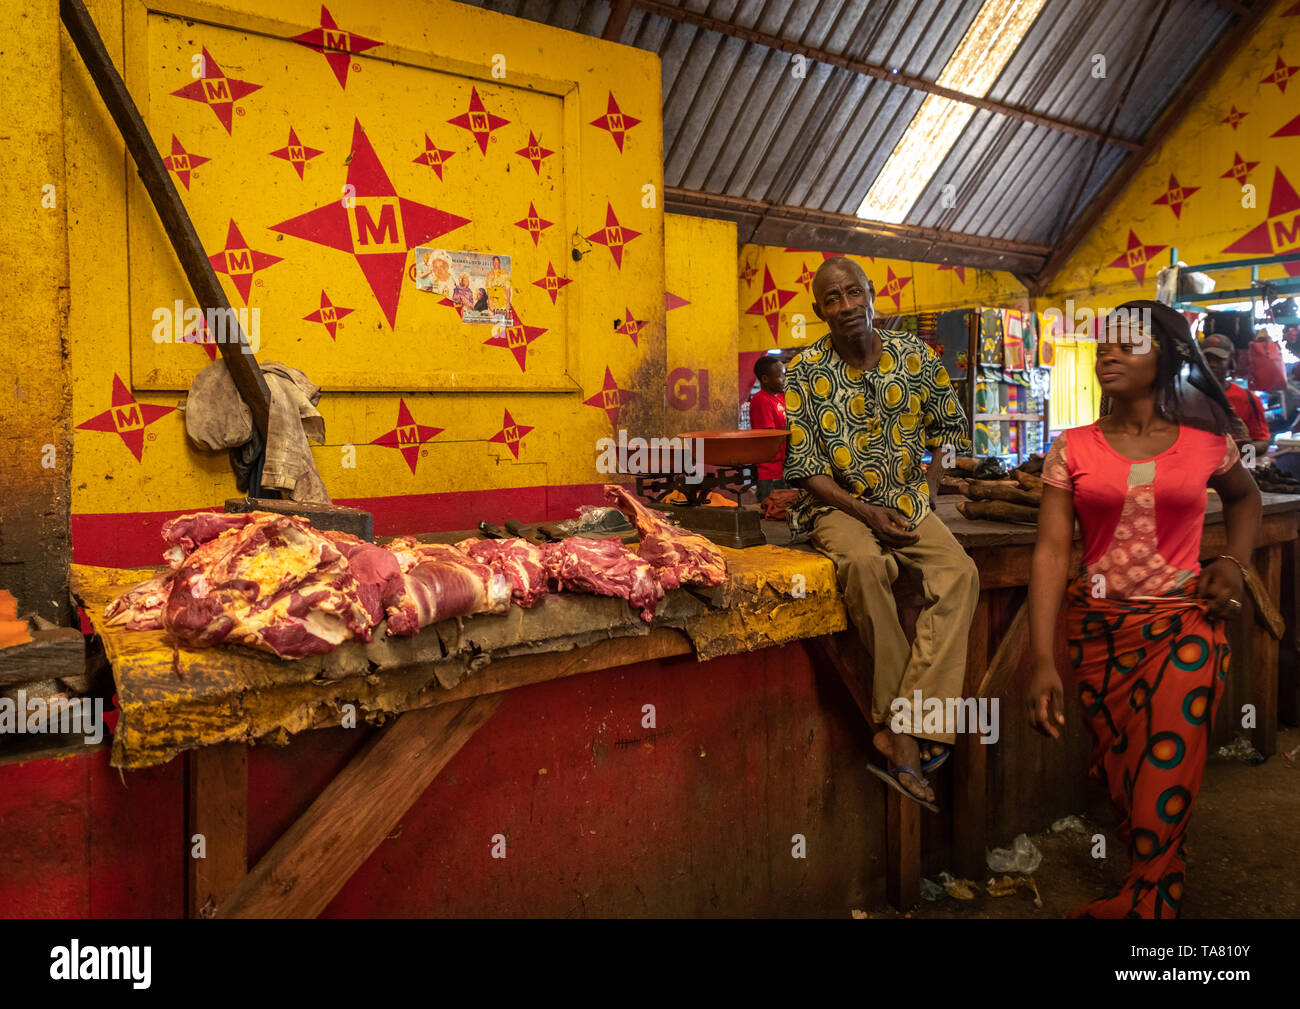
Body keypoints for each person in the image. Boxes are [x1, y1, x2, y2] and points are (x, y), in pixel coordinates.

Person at [1026, 301, 1262, 919]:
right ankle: (1155, 873)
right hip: (1098, 632)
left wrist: (1232, 564)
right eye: (1104, 343)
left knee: (1164, 766)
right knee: (1122, 772)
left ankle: (1150, 907)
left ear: (1166, 357)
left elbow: (1247, 501)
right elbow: (1052, 555)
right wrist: (1040, 658)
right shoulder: (1071, 448)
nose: (1108, 352)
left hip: (1185, 627)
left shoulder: (1209, 445)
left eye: (1128, 343)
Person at [784, 257, 978, 810]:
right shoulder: (803, 373)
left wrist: (929, 492)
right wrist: (865, 514)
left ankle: (905, 723)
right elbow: (808, 470)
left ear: (872, 295)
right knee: (867, 568)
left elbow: (946, 432)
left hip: (907, 500)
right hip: (838, 505)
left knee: (960, 573)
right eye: (831, 299)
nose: (845, 306)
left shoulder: (915, 358)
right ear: (819, 311)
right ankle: (906, 734)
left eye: (852, 293)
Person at [1201, 333, 1270, 455]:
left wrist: (1240, 449)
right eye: (1208, 359)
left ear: (1231, 363)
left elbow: (1262, 442)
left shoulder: (1248, 398)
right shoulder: (1188, 397)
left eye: (1218, 359)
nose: (1212, 364)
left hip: (1237, 469)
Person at [749, 356, 788, 502]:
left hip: (783, 469)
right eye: (779, 376)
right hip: (770, 473)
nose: (784, 379)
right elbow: (770, 437)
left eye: (784, 374)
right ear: (765, 379)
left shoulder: (780, 397)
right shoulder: (761, 400)